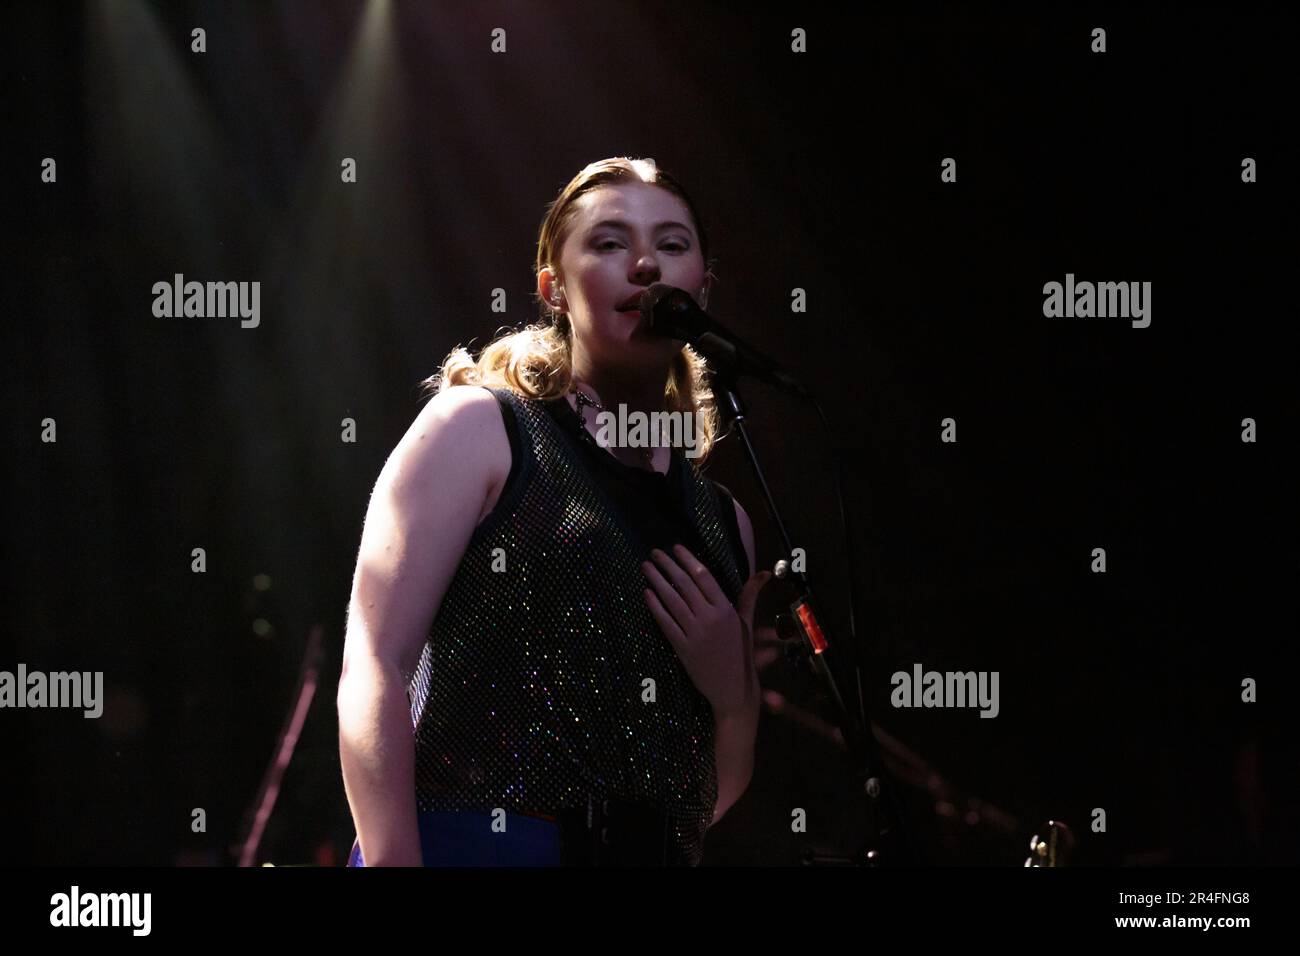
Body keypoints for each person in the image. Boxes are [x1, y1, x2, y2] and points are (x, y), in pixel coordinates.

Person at [337, 157, 771, 866]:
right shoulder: (480, 429)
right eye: (607, 242)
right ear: (553, 290)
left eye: (671, 244)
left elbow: (705, 797)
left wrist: (733, 699)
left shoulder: (725, 521)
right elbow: (377, 661)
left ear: (700, 286)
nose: (644, 264)